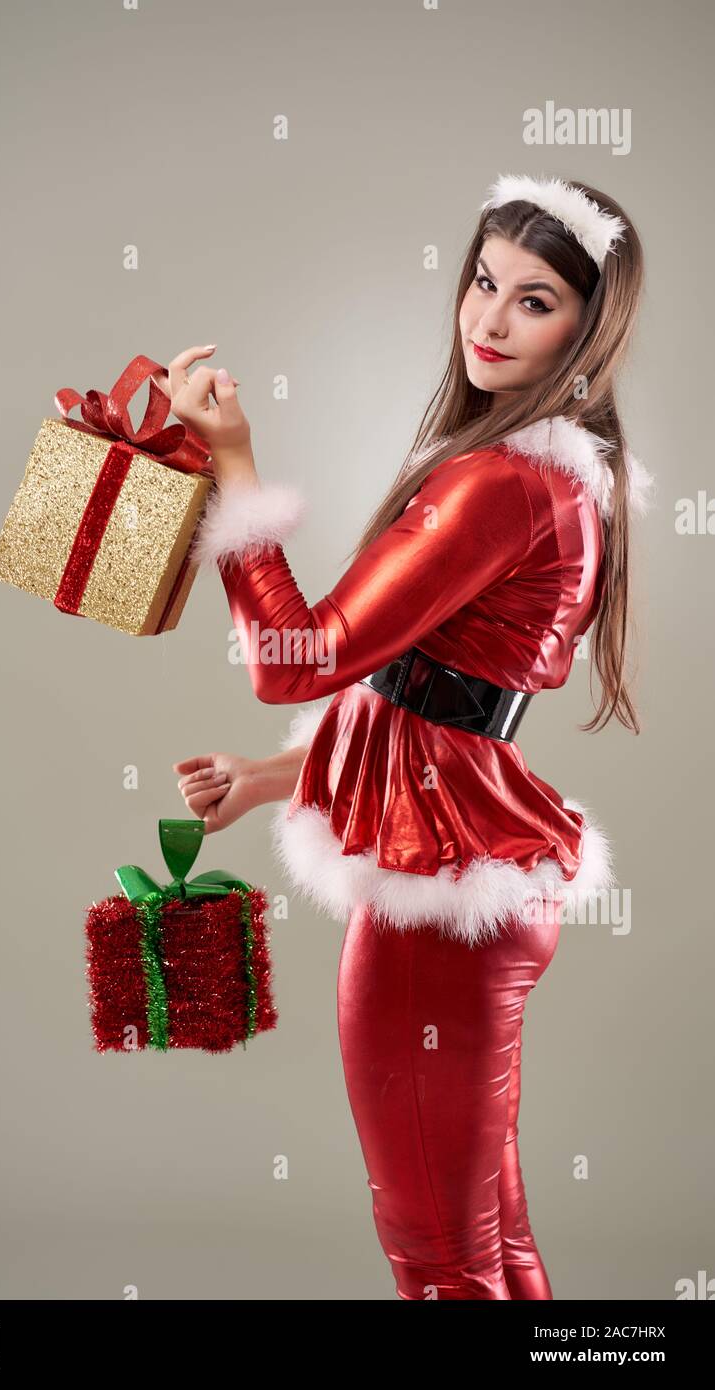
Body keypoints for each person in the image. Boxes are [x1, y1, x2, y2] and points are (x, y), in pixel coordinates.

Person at [162, 174, 654, 1300]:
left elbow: (290, 659)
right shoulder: (549, 473)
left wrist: (233, 459)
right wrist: (275, 776)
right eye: (482, 282)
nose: (485, 319)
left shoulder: (501, 482)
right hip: (481, 888)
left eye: (532, 301)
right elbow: (445, 718)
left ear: (590, 326)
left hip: (436, 922)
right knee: (490, 1240)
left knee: (439, 1262)